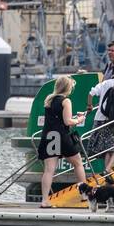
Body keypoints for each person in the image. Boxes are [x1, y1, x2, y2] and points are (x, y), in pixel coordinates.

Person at [37, 75, 87, 206]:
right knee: (78, 163)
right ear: (68, 87)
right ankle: (84, 195)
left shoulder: (48, 100)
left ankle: (44, 200)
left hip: (49, 136)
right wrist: (79, 120)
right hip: (62, 136)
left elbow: (57, 118)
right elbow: (67, 121)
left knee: (49, 170)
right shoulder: (66, 101)